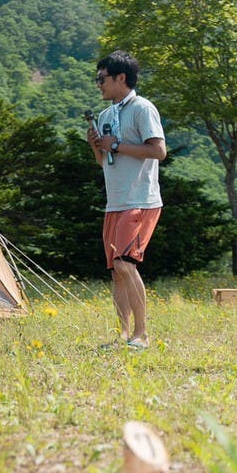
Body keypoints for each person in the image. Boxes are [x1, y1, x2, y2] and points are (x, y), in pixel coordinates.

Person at [87, 50, 166, 351]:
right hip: (115, 201)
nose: (99, 84)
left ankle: (142, 334)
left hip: (141, 199)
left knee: (125, 263)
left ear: (121, 78)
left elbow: (159, 151)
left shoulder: (143, 109)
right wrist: (96, 146)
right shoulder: (107, 115)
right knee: (117, 271)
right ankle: (123, 335)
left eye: (102, 78)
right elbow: (105, 161)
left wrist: (117, 144)